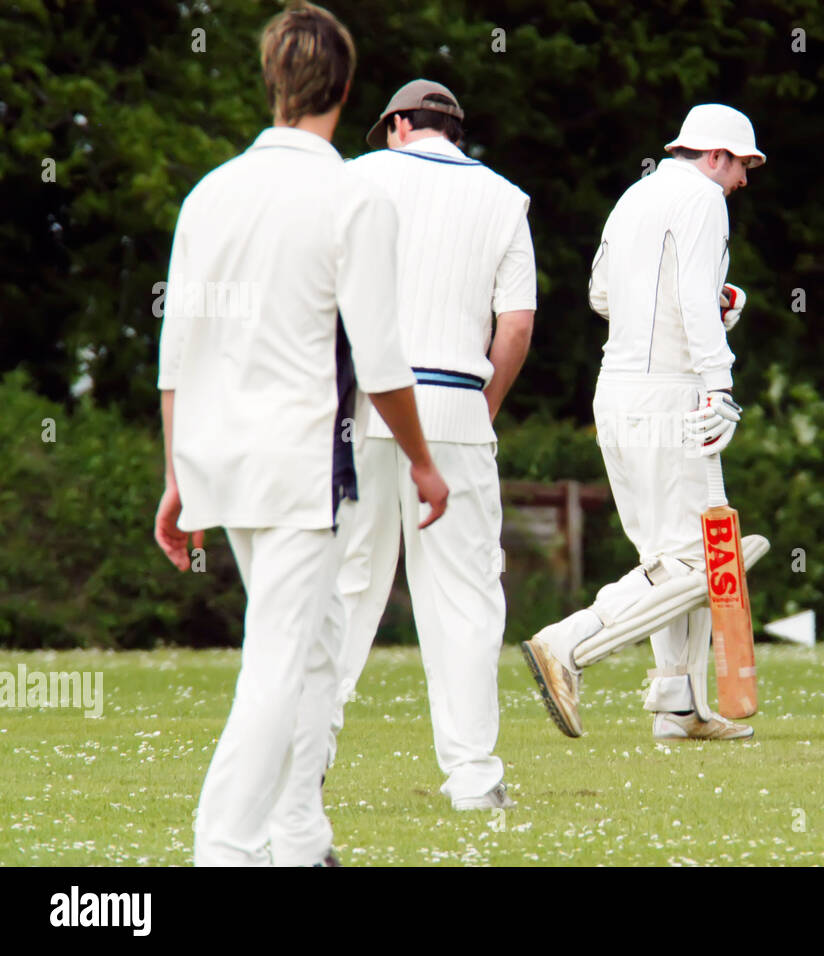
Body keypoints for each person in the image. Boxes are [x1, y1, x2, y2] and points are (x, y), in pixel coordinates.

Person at [153, 2, 448, 866]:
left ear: (272, 80)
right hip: (299, 462)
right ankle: (226, 849)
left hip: (220, 456)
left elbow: (180, 352)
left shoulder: (209, 193)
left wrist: (177, 477)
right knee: (280, 659)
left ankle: (300, 835)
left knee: (312, 642)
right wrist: (426, 465)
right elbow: (384, 359)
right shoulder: (352, 194)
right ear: (347, 88)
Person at [318, 80, 535, 811]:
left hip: (362, 411)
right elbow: (517, 326)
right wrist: (481, 412)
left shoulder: (355, 176)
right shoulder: (506, 198)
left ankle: (306, 754)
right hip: (455, 407)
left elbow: (321, 299)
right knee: (468, 600)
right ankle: (474, 778)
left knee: (345, 586)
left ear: (401, 125)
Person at [522, 104, 768, 741]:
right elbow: (689, 297)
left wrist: (713, 303)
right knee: (696, 562)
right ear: (714, 155)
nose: (743, 180)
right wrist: (720, 383)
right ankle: (566, 644)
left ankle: (676, 703)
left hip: (617, 392)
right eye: (742, 164)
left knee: (667, 557)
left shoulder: (635, 195)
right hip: (670, 395)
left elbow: (602, 295)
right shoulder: (702, 198)